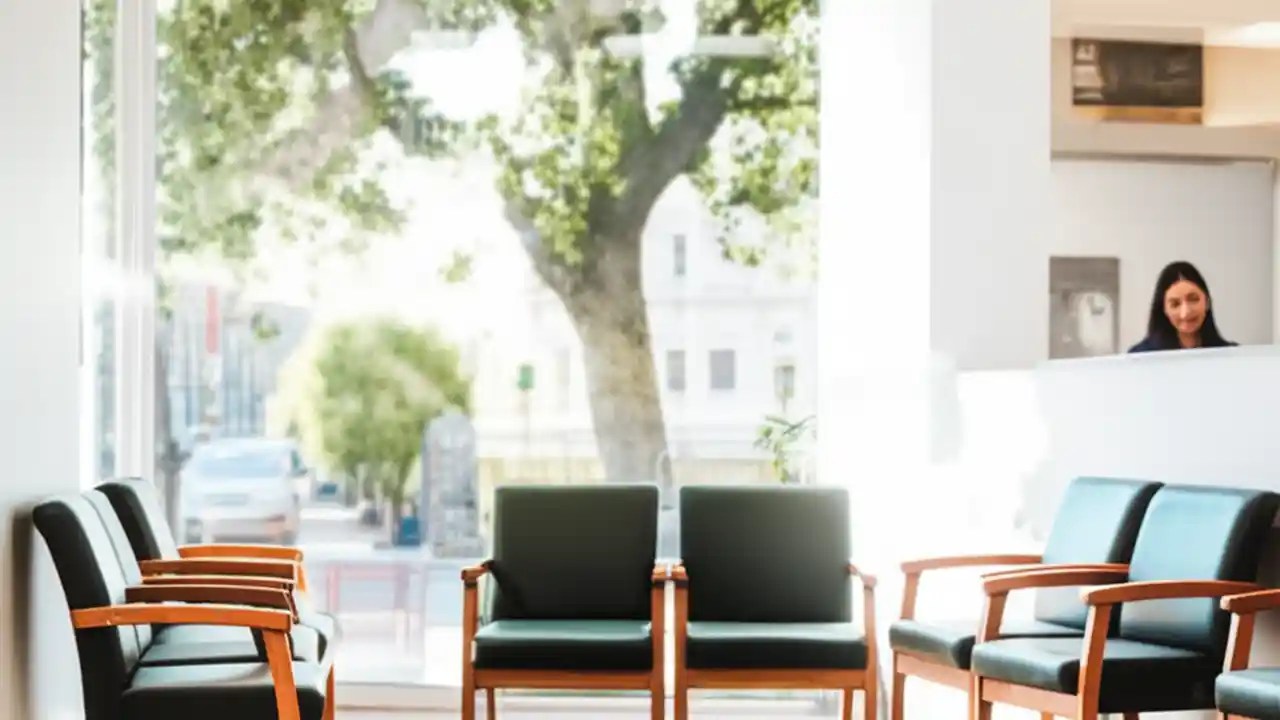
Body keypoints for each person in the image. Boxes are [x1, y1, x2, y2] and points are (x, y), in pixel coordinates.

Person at [1129, 261, 1236, 353]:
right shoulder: (1140, 357)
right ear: (1164, 309)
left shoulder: (1231, 355)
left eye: (1193, 299)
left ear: (1207, 302)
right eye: (1175, 304)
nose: (1185, 312)